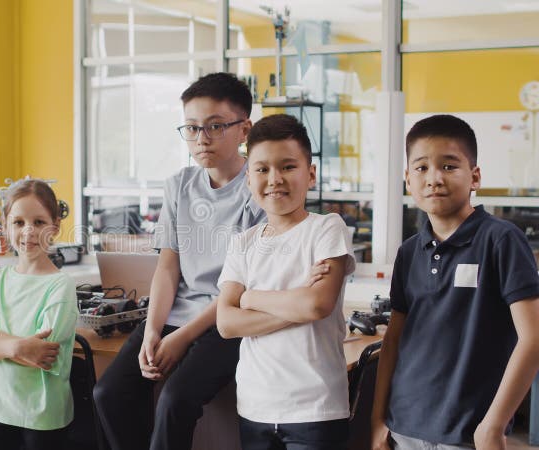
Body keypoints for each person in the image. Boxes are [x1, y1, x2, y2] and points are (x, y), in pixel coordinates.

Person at [94, 73, 333, 450]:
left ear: (244, 130)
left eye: (215, 126)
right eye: (191, 128)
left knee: (176, 400)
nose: (202, 138)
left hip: (224, 322)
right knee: (108, 392)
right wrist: (154, 330)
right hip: (174, 313)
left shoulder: (261, 189)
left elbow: (241, 292)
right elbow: (168, 266)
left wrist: (181, 338)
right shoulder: (179, 186)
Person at [370, 114, 539, 450]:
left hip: (469, 432)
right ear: (407, 179)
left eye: (449, 166)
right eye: (421, 168)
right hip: (405, 426)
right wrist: (377, 420)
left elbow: (533, 336)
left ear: (475, 176)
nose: (434, 178)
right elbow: (393, 342)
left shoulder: (501, 240)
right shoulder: (409, 252)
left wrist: (494, 424)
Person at [215, 114, 355, 450]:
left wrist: (249, 297)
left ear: (311, 174)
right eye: (262, 169)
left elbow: (316, 304)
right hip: (255, 405)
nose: (274, 178)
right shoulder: (243, 242)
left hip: (316, 408)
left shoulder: (326, 228)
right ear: (248, 179)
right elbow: (226, 323)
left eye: (288, 167)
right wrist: (296, 304)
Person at [0, 179, 78, 450]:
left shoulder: (61, 285)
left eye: (39, 222)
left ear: (55, 227)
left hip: (42, 414)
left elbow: (41, 354)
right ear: (5, 226)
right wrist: (17, 346)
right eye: (19, 222)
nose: (29, 231)